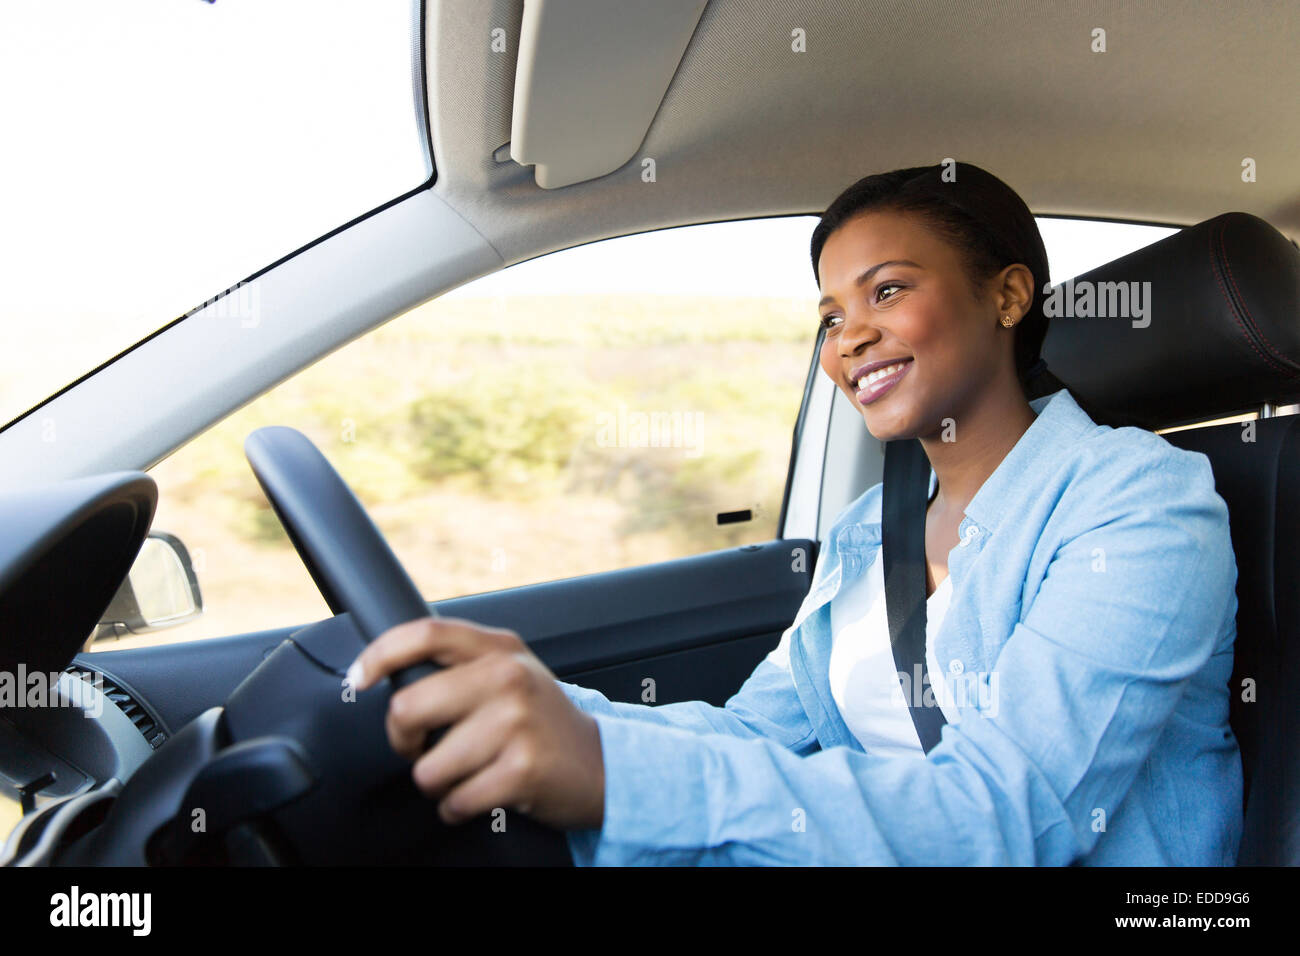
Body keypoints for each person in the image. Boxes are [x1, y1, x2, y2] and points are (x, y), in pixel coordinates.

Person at [347, 162, 1242, 865]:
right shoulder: (866, 531)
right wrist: (547, 709)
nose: (848, 337)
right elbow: (756, 732)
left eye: (887, 291)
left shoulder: (1139, 505)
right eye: (829, 314)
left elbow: (1009, 820)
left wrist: (615, 775)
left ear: (1008, 297)